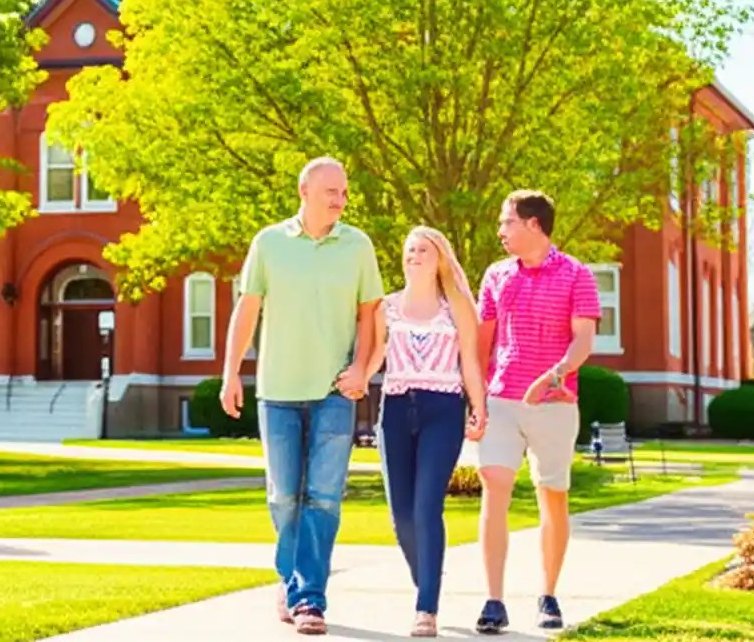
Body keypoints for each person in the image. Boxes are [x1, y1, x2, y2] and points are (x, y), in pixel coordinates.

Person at [222, 156, 384, 636]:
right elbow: (246, 311)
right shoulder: (269, 243)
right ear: (304, 191)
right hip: (276, 391)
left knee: (323, 497)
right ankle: (290, 578)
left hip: (335, 390)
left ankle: (309, 598)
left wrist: (360, 369)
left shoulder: (357, 245)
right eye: (331, 190)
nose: (340, 199)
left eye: (345, 191)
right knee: (284, 496)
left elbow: (370, 316)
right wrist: (232, 373)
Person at [473, 190, 601, 634]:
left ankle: (548, 594)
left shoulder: (577, 275)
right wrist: (474, 396)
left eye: (508, 222)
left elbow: (583, 340)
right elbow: (482, 341)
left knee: (552, 495)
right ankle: (494, 600)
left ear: (533, 225)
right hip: (502, 399)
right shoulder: (495, 275)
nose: (501, 230)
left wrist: (556, 373)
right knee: (495, 485)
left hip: (554, 404)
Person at [360, 226, 487, 638]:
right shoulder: (387, 307)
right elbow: (376, 355)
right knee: (401, 516)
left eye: (423, 250)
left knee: (427, 507)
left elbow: (470, 362)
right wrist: (356, 377)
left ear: (440, 260)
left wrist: (478, 407)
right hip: (395, 410)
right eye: (409, 249)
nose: (414, 255)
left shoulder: (458, 309)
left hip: (443, 410)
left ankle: (426, 607)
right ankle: (428, 578)